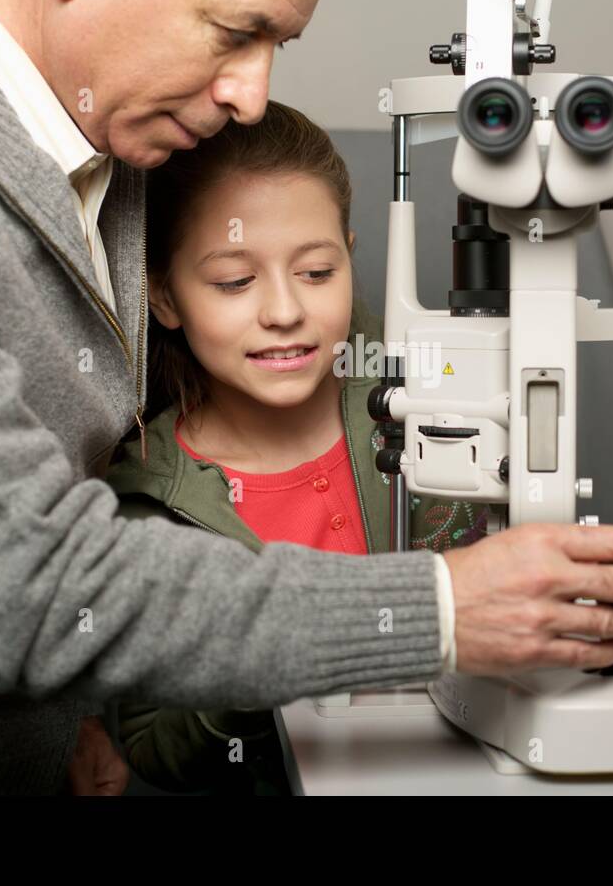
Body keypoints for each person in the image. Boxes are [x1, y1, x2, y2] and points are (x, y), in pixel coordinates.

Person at [0, 0, 613, 795]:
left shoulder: (117, 135)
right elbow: (36, 591)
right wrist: (438, 608)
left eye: (278, 46)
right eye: (235, 30)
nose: (251, 96)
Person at [110, 100, 490, 793]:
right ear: (165, 297)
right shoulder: (152, 504)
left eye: (317, 272)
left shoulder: (426, 399)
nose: (284, 311)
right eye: (234, 280)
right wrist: (263, 654)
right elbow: (154, 746)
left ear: (350, 254)